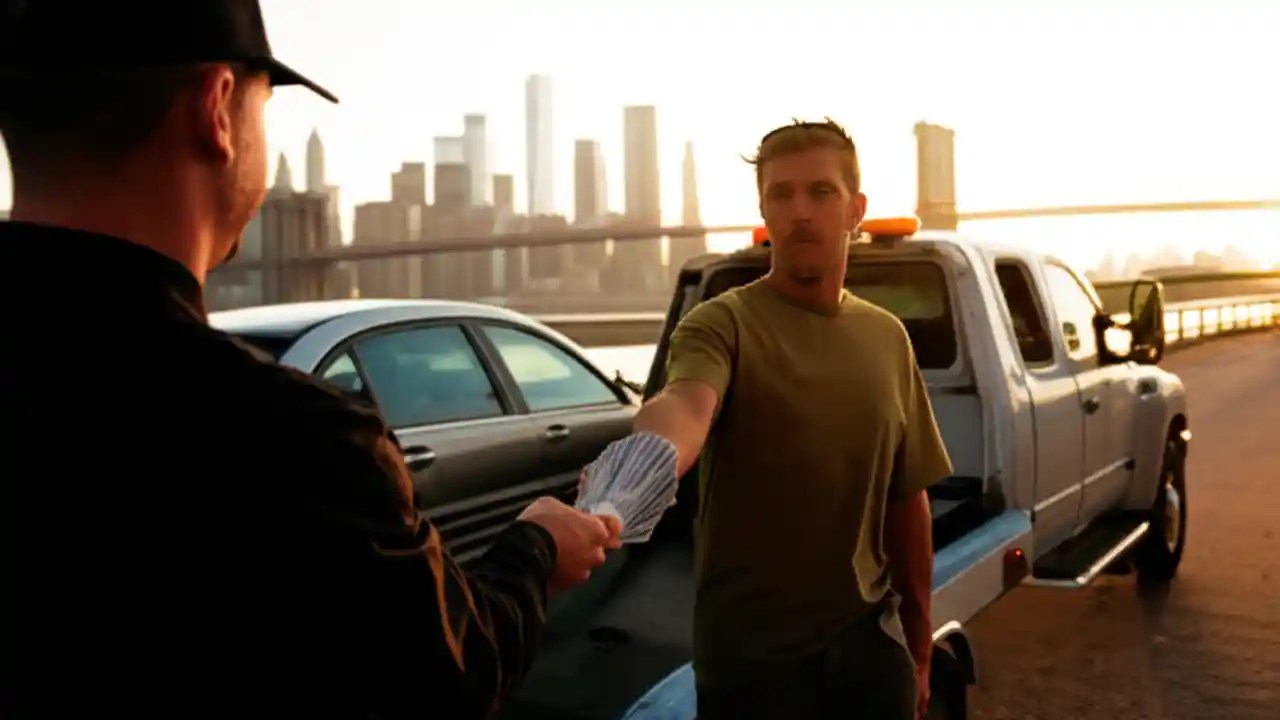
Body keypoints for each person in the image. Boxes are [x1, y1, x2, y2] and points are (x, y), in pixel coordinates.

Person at [0, 2, 621, 718]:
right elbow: (449, 679)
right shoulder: (289, 442)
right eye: (268, 103)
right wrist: (536, 549)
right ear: (220, 108)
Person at [601, 119, 953, 718]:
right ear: (763, 210)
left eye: (821, 192)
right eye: (781, 194)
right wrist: (632, 477)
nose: (800, 211)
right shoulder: (721, 324)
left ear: (855, 210)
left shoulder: (887, 338)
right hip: (755, 670)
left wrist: (918, 651)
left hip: (869, 653)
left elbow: (906, 499)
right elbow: (686, 403)